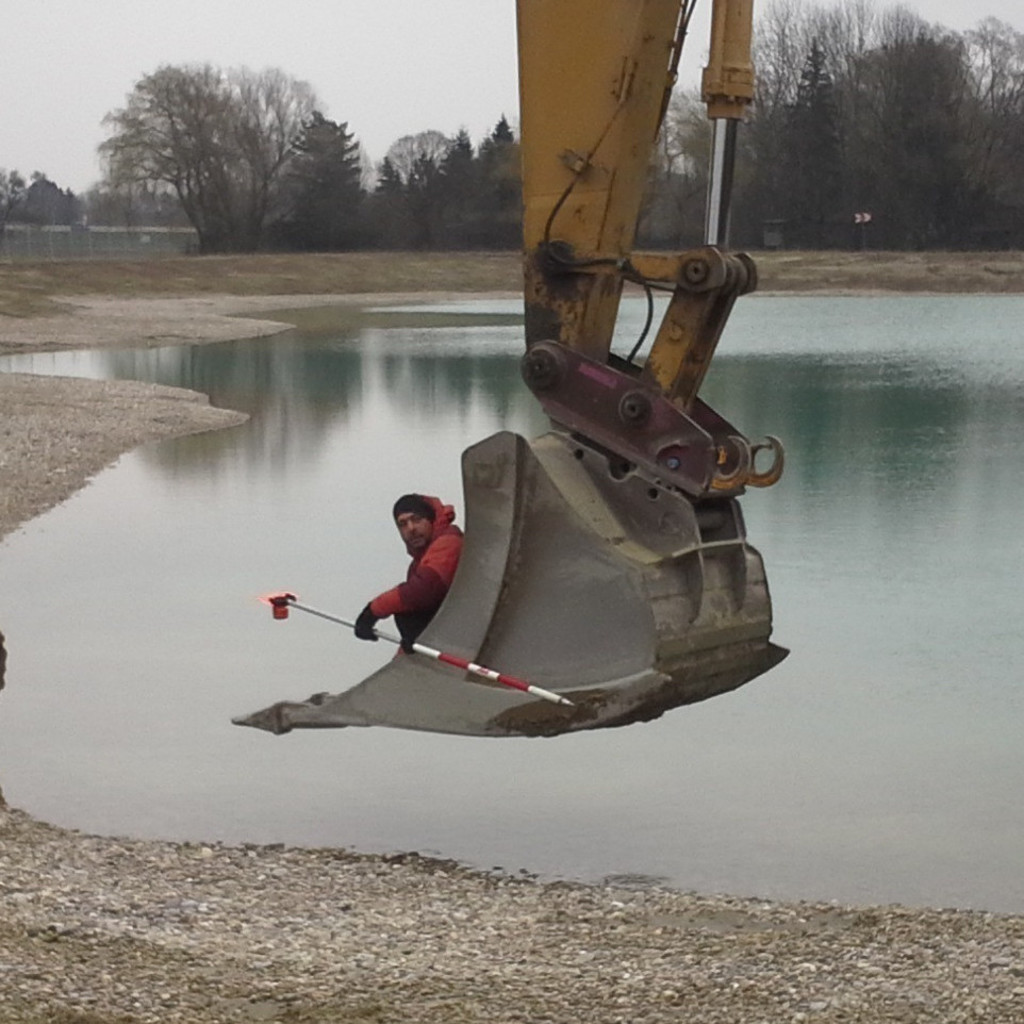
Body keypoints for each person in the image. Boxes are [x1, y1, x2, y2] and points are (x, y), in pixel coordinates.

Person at [354, 494, 464, 647]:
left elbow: (424, 590)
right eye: (403, 524)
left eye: (417, 519)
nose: (411, 528)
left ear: (431, 520)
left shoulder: (449, 541)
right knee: (406, 613)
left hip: (465, 628)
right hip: (453, 634)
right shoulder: (418, 564)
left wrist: (373, 610)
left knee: (408, 606)